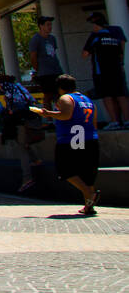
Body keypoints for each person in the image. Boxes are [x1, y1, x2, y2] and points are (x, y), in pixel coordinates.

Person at [32, 74, 100, 215]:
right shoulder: (86, 100)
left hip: (73, 138)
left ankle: (88, 193)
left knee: (65, 170)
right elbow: (94, 122)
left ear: (60, 88)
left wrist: (48, 113)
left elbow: (66, 115)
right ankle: (89, 205)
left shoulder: (65, 98)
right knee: (86, 173)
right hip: (89, 138)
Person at [0, 74, 45, 194]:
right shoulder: (19, 88)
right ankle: (36, 160)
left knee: (22, 148)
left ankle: (27, 178)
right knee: (24, 144)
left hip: (21, 120)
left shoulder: (9, 90)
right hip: (32, 118)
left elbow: (13, 109)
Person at [82, 12, 128, 130]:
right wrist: (120, 60)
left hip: (101, 71)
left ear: (96, 25)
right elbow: (122, 45)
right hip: (117, 68)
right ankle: (127, 120)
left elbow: (85, 54)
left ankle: (114, 121)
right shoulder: (116, 31)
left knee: (107, 96)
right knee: (121, 95)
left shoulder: (95, 36)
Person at [28, 15, 64, 108]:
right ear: (41, 26)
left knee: (60, 93)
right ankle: (49, 119)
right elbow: (33, 56)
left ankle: (61, 115)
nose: (50, 27)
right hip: (44, 72)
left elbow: (53, 53)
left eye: (50, 25)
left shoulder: (52, 38)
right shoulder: (36, 39)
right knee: (48, 95)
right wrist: (37, 69)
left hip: (56, 70)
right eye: (47, 25)